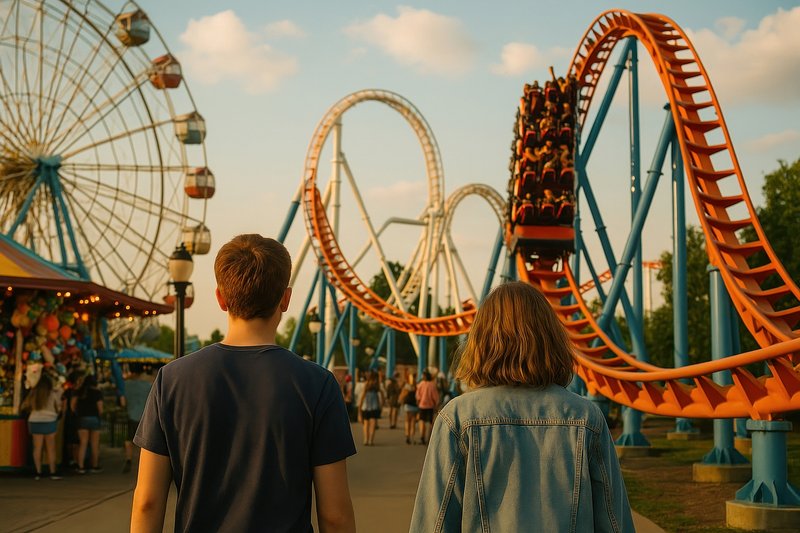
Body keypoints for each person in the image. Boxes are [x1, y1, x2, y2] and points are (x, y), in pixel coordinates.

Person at [131, 234, 356, 533]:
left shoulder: (172, 380)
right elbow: (335, 513)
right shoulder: (318, 385)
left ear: (220, 298)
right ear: (285, 299)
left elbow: (147, 501)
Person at [409, 282, 634, 532]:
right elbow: (615, 522)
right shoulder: (587, 418)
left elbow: (434, 523)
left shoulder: (458, 418)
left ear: (482, 340)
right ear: (550, 338)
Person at [22, 374, 62, 480]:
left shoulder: (33, 393)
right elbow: (58, 407)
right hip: (49, 420)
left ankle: (38, 472)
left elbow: (25, 405)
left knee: (37, 447)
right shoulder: (52, 394)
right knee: (51, 448)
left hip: (35, 421)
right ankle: (52, 472)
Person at [122, 364, 154, 473]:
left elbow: (123, 401)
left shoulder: (126, 385)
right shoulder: (148, 385)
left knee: (129, 439)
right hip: (144, 416)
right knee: (144, 440)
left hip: (131, 414)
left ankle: (128, 459)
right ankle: (144, 463)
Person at [72, 374, 103, 474]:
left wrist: (78, 413)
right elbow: (100, 409)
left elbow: (72, 406)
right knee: (95, 444)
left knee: (83, 443)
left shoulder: (80, 392)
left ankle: (80, 466)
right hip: (94, 418)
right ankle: (95, 465)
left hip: (82, 418)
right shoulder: (97, 392)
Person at [359, 372, 384, 446]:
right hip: (374, 406)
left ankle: (366, 439)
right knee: (372, 424)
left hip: (366, 406)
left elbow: (363, 395)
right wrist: (381, 404)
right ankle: (370, 440)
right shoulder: (377, 385)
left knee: (366, 424)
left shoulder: (367, 384)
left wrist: (360, 406)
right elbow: (382, 394)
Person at [415, 370, 439, 445]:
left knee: (421, 421)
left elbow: (417, 395)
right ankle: (429, 438)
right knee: (429, 422)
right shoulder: (432, 385)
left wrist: (418, 401)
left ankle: (422, 436)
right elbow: (436, 397)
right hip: (430, 406)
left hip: (422, 405)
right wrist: (436, 405)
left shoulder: (420, 384)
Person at [399, 373, 418, 445]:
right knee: (413, 421)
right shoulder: (416, 386)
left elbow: (402, 396)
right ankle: (412, 437)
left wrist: (401, 401)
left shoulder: (406, 386)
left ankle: (407, 435)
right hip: (414, 405)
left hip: (407, 405)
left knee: (407, 421)